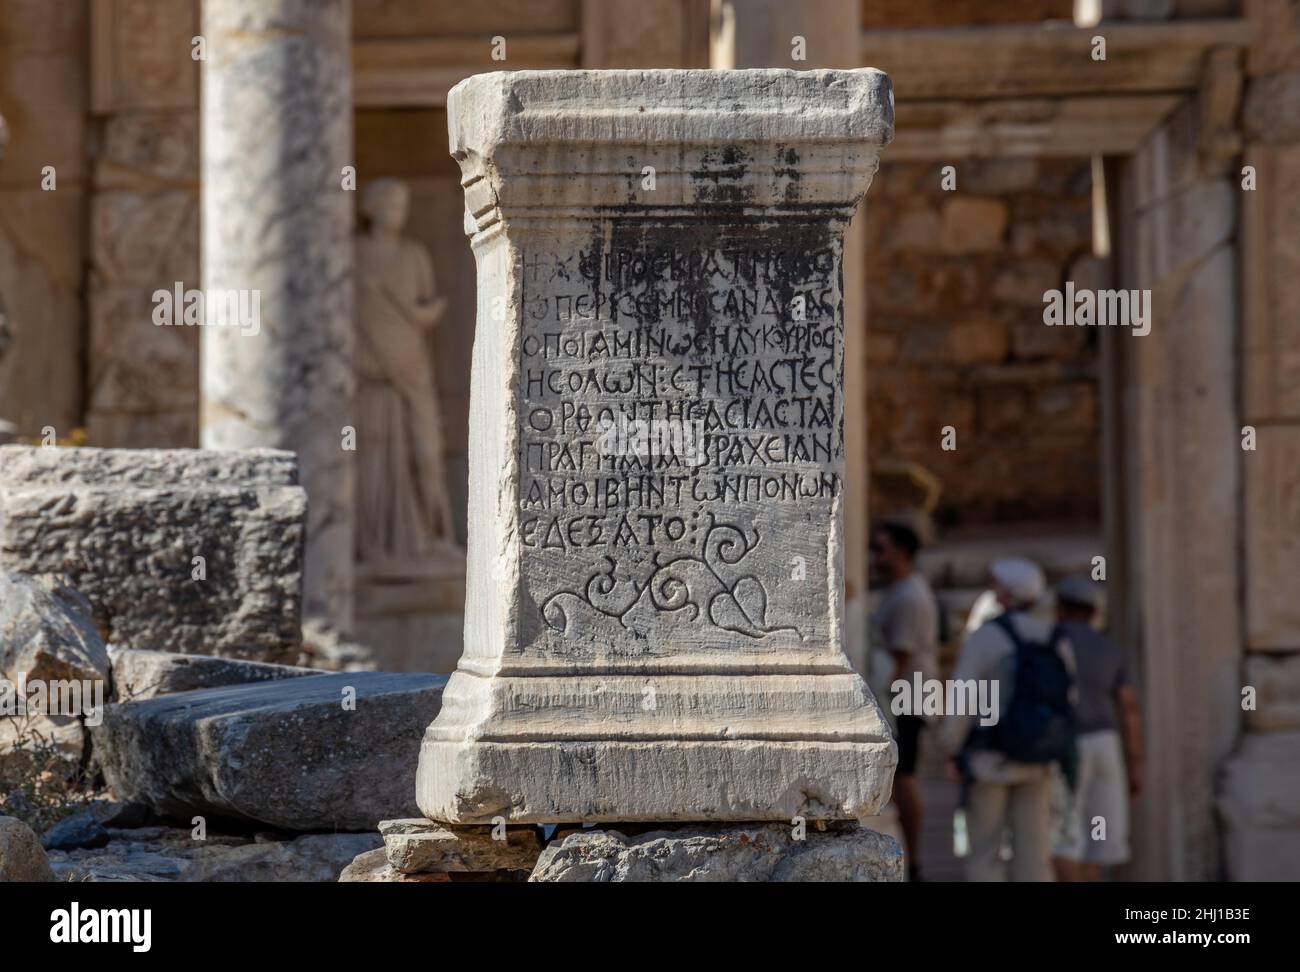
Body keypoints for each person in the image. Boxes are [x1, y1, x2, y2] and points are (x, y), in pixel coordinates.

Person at [937, 557, 1073, 882]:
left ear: (1004, 595)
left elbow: (962, 698)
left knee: (984, 853)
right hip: (1038, 759)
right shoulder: (1055, 638)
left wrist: (950, 746)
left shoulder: (985, 638)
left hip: (989, 760)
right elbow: (1070, 700)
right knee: (1034, 854)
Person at [1050, 575, 1142, 881]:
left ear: (1061, 607)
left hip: (1067, 744)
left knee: (1065, 836)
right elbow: (1128, 709)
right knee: (1099, 840)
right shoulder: (1109, 647)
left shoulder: (1050, 642)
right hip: (1106, 744)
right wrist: (1135, 764)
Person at [868, 521, 940, 881]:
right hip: (906, 695)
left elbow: (898, 657)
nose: (875, 557)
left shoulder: (909, 596)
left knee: (904, 775)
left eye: (882, 548)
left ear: (902, 552)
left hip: (907, 696)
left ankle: (913, 859)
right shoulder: (899, 590)